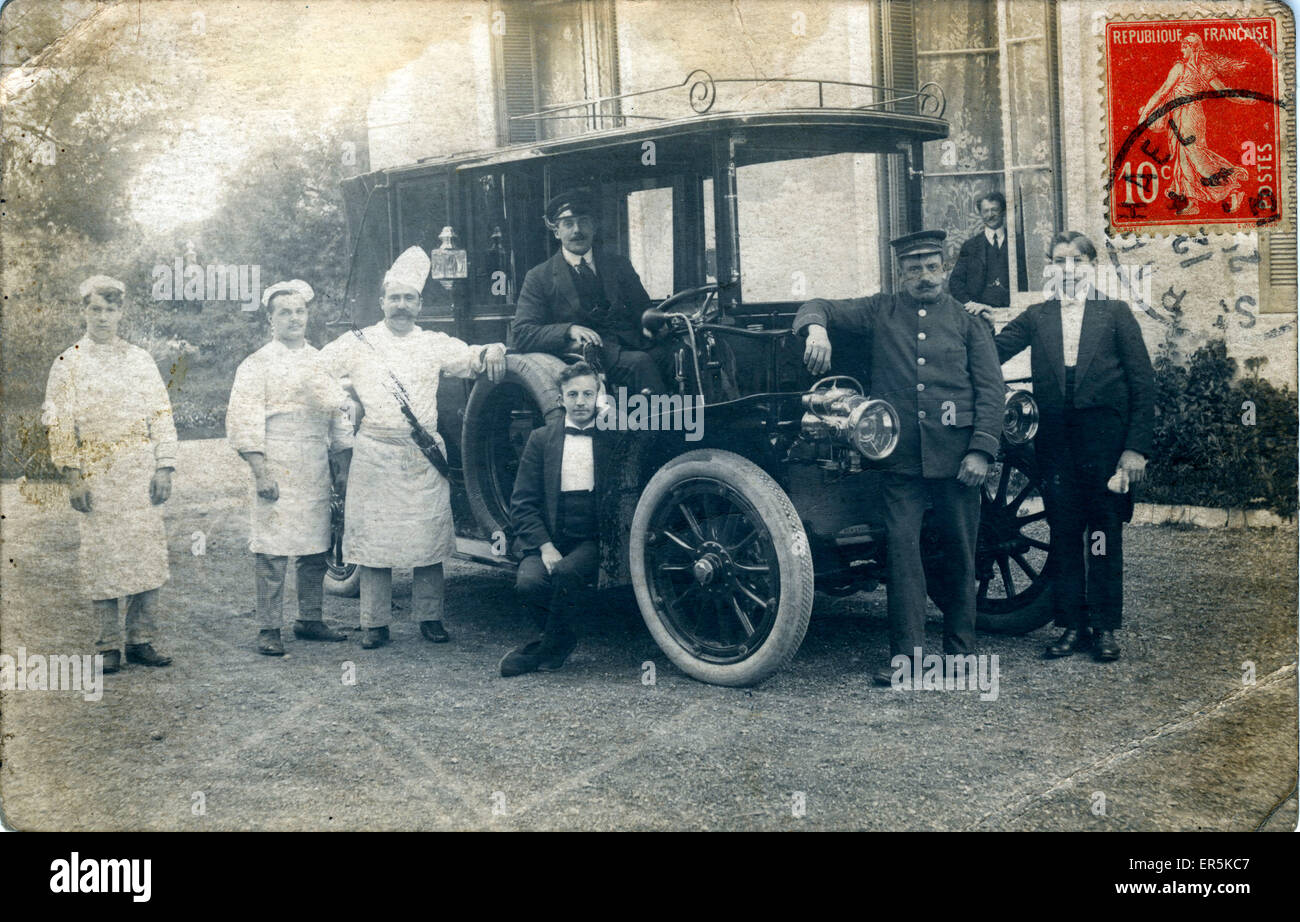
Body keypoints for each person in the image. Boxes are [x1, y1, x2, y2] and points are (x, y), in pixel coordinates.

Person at [795, 231, 1005, 686]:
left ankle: (961, 653)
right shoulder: (881, 310)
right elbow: (818, 305)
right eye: (914, 268)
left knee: (960, 555)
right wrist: (815, 328)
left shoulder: (971, 325)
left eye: (931, 266)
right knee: (903, 557)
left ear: (945, 268)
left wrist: (982, 450)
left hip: (959, 460)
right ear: (901, 273)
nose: (924, 276)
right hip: (900, 461)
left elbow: (992, 391)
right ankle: (908, 660)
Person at [972, 231, 1154, 662]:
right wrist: (971, 323)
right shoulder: (1038, 316)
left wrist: (1135, 450)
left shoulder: (1115, 314)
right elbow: (991, 353)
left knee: (1102, 535)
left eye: (1077, 261)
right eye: (1059, 262)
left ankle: (1105, 627)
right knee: (1066, 533)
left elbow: (1143, 385)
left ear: (1091, 265)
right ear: (1050, 269)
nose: (1068, 270)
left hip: (1106, 449)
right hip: (1056, 447)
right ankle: (1071, 625)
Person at [319, 247, 507, 649]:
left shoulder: (434, 342)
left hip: (422, 455)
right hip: (375, 450)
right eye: (394, 298)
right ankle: (373, 624)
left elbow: (471, 359)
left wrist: (494, 350)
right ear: (382, 301)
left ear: (420, 304)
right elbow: (316, 372)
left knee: (428, 540)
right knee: (373, 542)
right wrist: (342, 404)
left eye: (409, 298)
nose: (401, 306)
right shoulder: (358, 343)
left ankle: (430, 618)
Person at [43, 275, 177, 673]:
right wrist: (72, 473)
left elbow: (161, 414)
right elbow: (60, 423)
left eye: (111, 309)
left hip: (139, 469)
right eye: (95, 309)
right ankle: (107, 645)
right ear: (83, 310)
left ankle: (141, 639)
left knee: (144, 553)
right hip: (97, 469)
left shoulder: (139, 359)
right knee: (102, 555)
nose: (103, 317)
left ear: (121, 312)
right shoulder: (68, 361)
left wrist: (164, 466)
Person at [226, 280, 355, 656]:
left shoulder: (320, 361)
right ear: (271, 319)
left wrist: (343, 464)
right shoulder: (256, 364)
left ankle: (309, 619)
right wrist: (260, 470)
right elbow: (243, 422)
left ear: (308, 316)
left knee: (316, 548)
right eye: (285, 312)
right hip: (276, 461)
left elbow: (338, 418)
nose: (294, 318)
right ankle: (269, 627)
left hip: (313, 463)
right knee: (272, 550)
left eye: (300, 311)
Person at [499, 362, 612, 677]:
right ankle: (561, 639)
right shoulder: (540, 439)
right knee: (528, 583)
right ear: (561, 398)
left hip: (591, 539)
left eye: (588, 394)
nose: (580, 402)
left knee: (565, 574)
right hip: (550, 536)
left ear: (598, 398)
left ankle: (546, 650)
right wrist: (545, 546)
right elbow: (522, 502)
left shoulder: (611, 438)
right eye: (572, 394)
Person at [510, 188, 668, 394]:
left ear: (594, 227)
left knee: (681, 354)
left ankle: (700, 422)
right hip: (588, 356)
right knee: (641, 363)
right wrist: (568, 330)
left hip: (632, 342)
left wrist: (658, 321)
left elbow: (642, 308)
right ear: (557, 232)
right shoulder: (539, 277)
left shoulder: (618, 265)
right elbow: (522, 333)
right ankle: (663, 425)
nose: (577, 230)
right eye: (568, 224)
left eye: (583, 221)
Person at [1138, 34, 1256, 215]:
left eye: (1184, 46)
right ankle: (1192, 203)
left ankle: (1232, 189)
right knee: (1183, 158)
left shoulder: (1185, 68)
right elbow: (1163, 92)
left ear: (1193, 47)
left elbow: (1162, 92)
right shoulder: (1197, 68)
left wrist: (1244, 100)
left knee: (1195, 156)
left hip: (1189, 117)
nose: (1181, 50)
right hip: (1180, 117)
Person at [947, 191, 1026, 311]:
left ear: (1003, 212)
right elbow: (955, 282)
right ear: (980, 214)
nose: (990, 215)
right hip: (980, 312)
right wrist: (969, 304)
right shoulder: (970, 246)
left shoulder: (1019, 243)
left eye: (994, 210)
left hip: (1015, 309)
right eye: (986, 211)